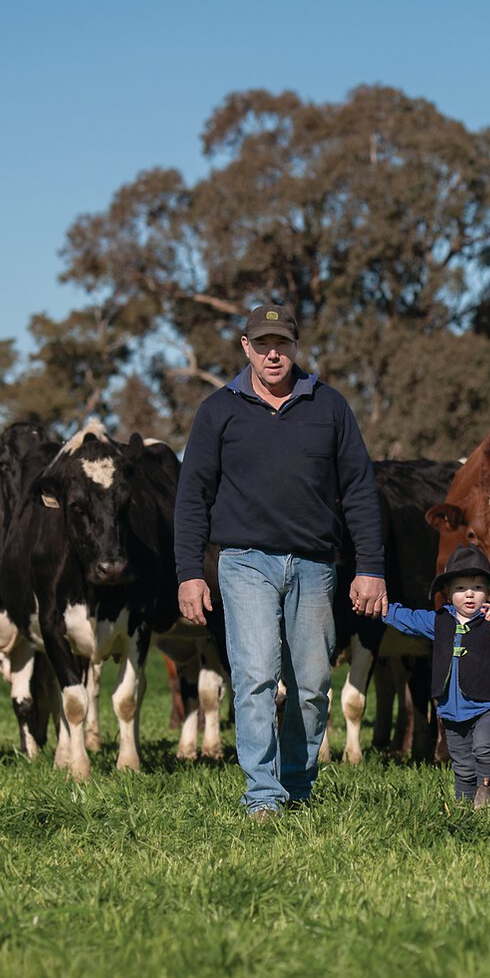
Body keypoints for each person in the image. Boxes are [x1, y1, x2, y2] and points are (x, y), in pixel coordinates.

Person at [174, 304, 387, 819]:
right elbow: (192, 496)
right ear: (245, 347)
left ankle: (297, 784)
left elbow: (359, 490)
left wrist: (371, 567)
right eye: (263, 344)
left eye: (283, 344)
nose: (274, 353)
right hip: (244, 562)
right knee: (255, 678)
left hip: (316, 566)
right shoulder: (218, 410)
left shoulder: (329, 406)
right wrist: (187, 574)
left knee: (313, 685)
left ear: (296, 347)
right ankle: (263, 796)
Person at [381, 545, 490, 809]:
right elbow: (409, 619)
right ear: (447, 593)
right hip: (451, 710)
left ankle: (485, 793)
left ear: (489, 593)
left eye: (478, 588)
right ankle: (462, 807)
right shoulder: (439, 620)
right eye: (460, 589)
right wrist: (382, 609)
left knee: (483, 747)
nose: (469, 594)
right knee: (461, 762)